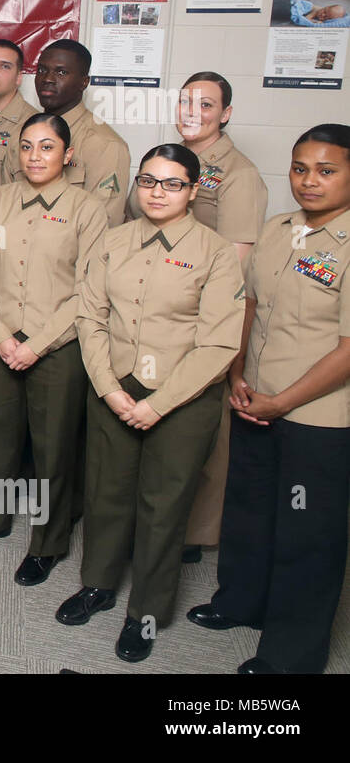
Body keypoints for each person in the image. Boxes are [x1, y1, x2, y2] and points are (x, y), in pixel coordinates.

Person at [57, 144, 243, 663]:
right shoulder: (113, 241)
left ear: (194, 188)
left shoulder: (215, 252)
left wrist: (158, 405)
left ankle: (147, 611)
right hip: (114, 387)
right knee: (106, 493)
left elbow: (219, 344)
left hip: (182, 400)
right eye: (148, 181)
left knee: (162, 507)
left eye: (172, 183)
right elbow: (89, 318)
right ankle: (96, 584)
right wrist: (111, 389)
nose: (157, 192)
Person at [188, 124, 350, 674]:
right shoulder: (279, 229)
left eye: (327, 171)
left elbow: (349, 350)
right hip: (254, 399)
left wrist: (283, 403)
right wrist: (236, 374)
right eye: (301, 168)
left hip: (316, 417)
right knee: (249, 512)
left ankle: (291, 656)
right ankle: (240, 602)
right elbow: (250, 309)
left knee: (307, 532)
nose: (309, 181)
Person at [0, 113, 107, 582]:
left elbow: (90, 291)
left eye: (47, 147)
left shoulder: (87, 209)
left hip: (58, 348)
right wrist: (3, 338)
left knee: (53, 447)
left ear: (68, 155)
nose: (35, 156)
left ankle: (49, 540)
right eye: (26, 146)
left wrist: (37, 345)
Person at [128, 72, 268, 560]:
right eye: (186, 102)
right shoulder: (165, 161)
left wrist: (186, 310)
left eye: (206, 105)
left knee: (200, 428)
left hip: (198, 313)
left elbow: (235, 259)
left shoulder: (239, 174)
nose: (194, 112)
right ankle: (149, 518)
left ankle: (194, 533)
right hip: (149, 307)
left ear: (225, 114)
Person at [5, 39, 130, 227]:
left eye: (61, 72)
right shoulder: (20, 134)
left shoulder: (104, 144)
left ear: (84, 82)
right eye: (42, 70)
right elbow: (3, 206)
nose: (47, 79)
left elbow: (103, 226)